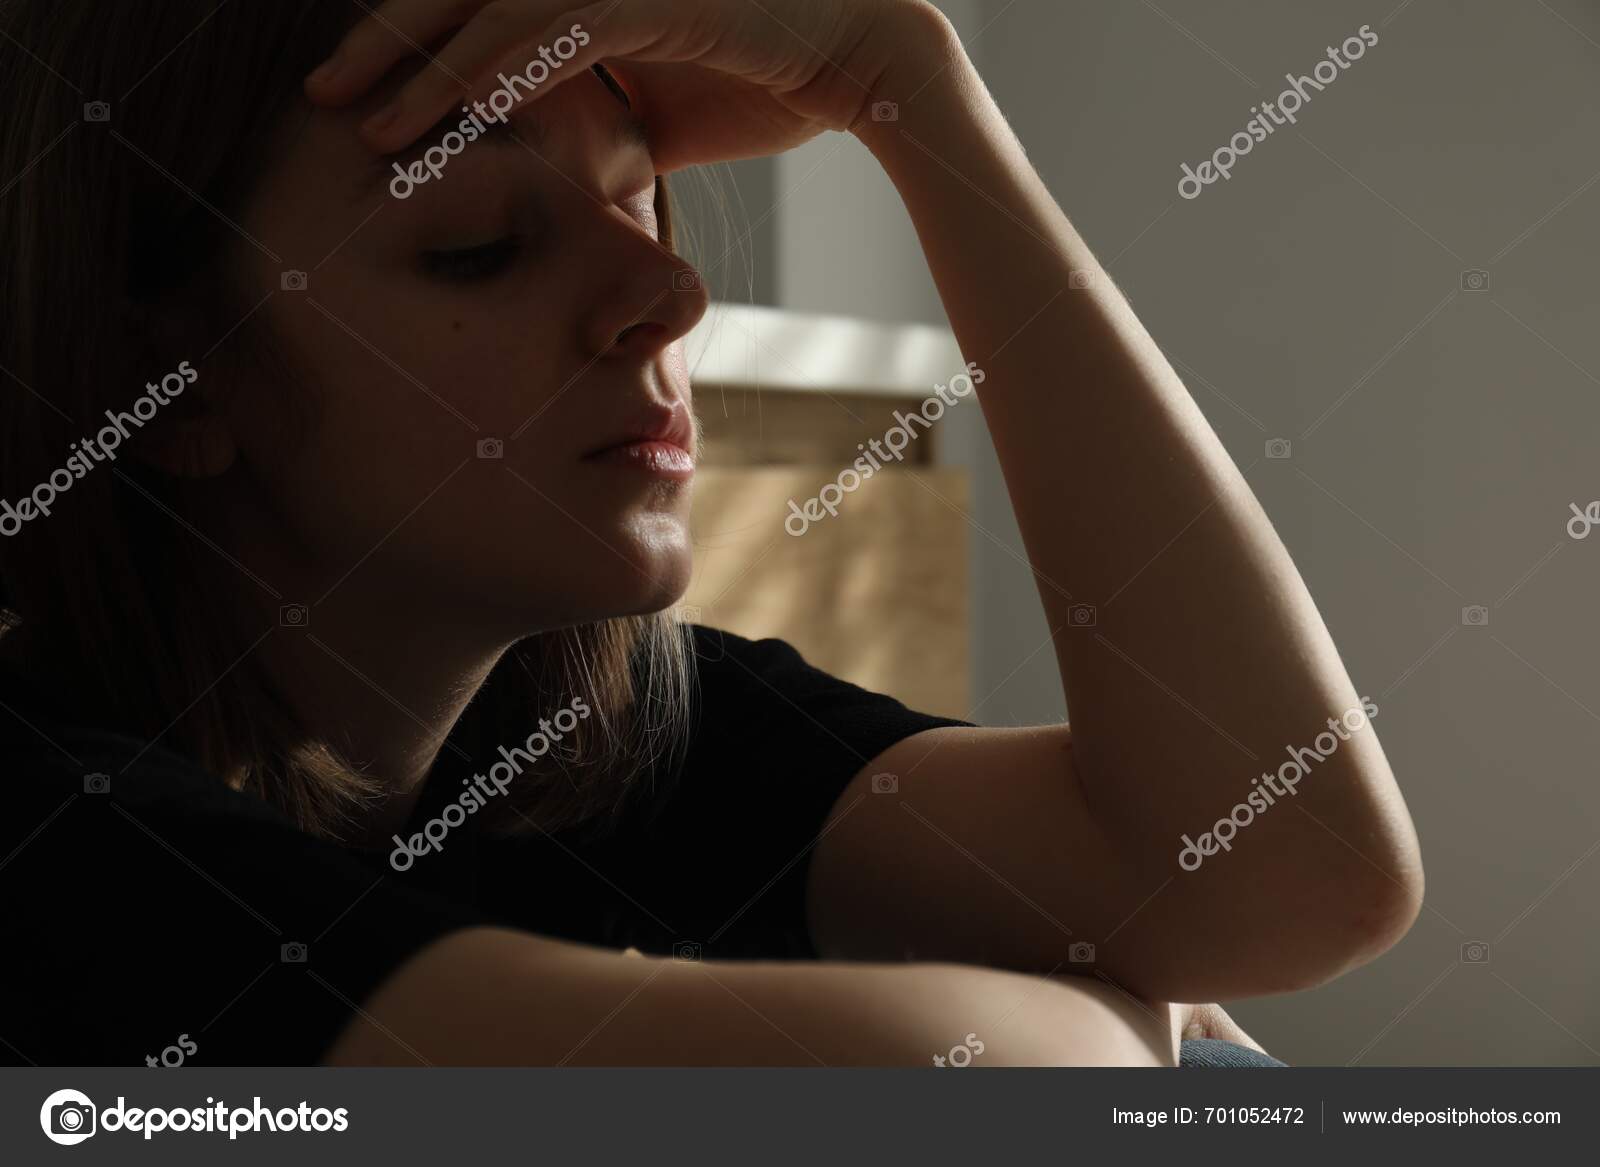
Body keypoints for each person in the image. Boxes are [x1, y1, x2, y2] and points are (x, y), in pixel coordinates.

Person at [0, 0, 1421, 1067]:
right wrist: (1128, 1016)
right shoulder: (51, 824)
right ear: (163, 382)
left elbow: (1293, 875)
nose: (669, 293)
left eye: (641, 201)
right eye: (479, 240)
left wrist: (907, 86)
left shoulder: (572, 741)